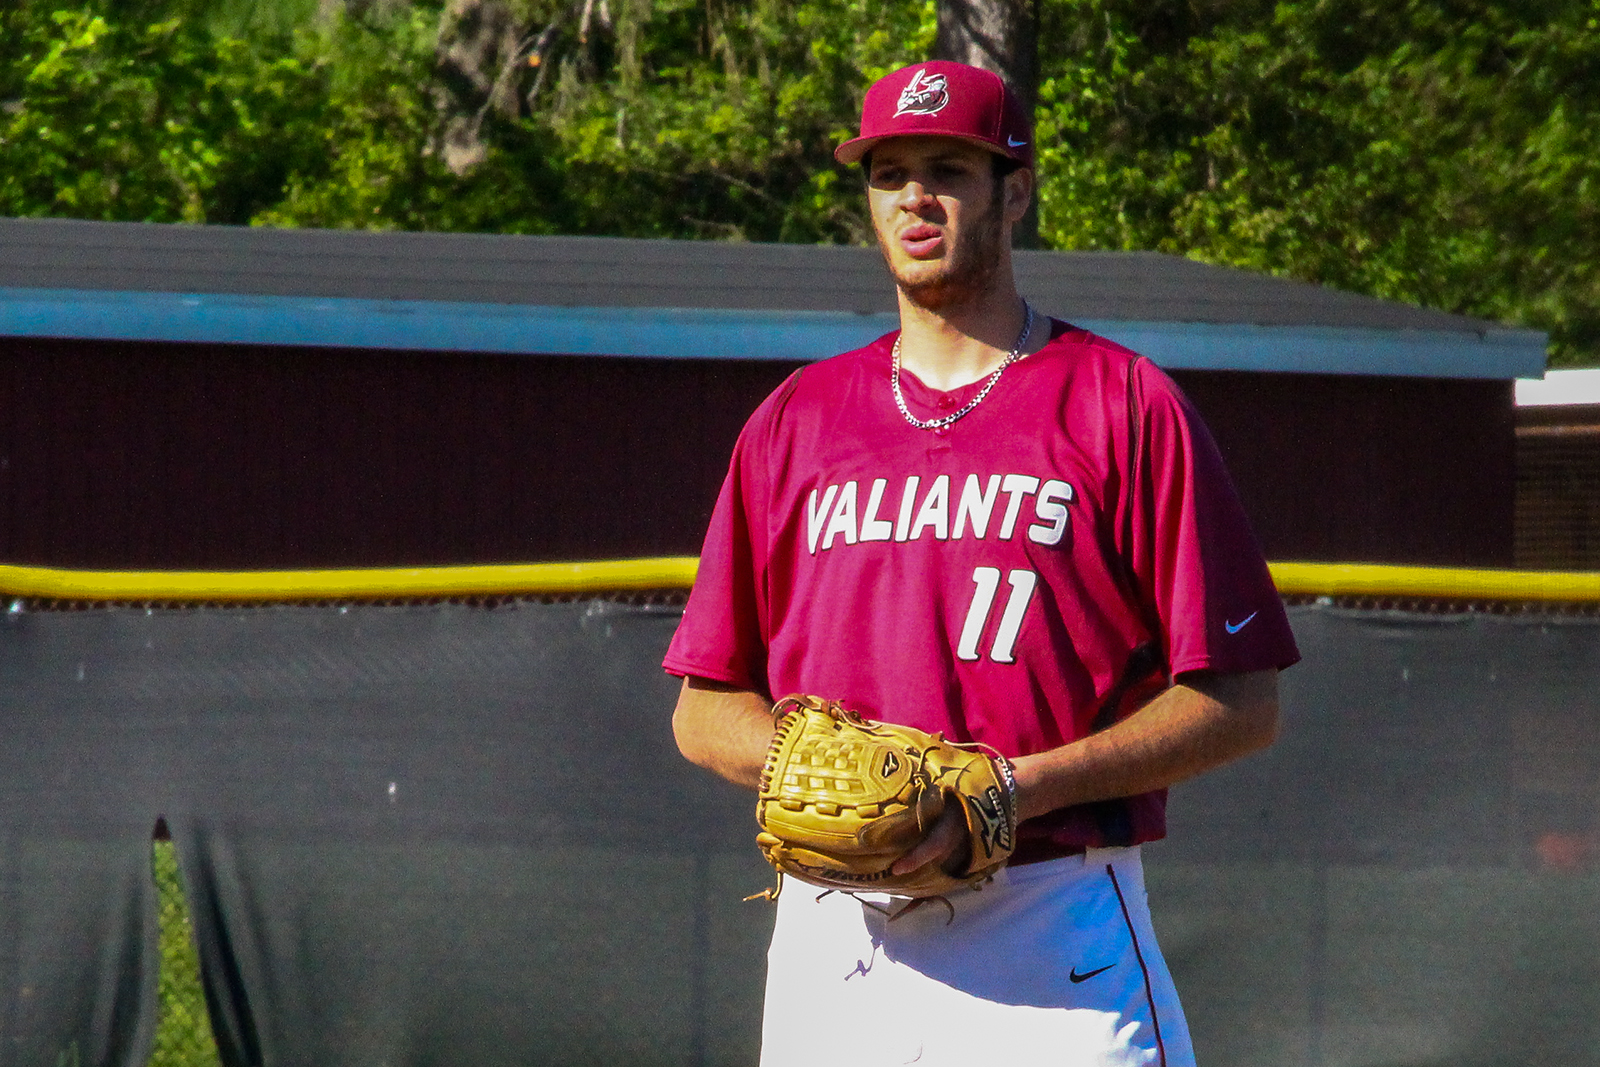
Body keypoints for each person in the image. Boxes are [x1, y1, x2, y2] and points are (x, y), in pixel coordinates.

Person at [663, 59, 1300, 1067]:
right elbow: (703, 706)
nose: (914, 195)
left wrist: (1017, 786)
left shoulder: (1122, 404)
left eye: (948, 168)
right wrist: (801, 764)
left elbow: (1240, 700)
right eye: (888, 173)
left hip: (1049, 920)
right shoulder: (795, 420)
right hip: (836, 932)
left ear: (1016, 187)